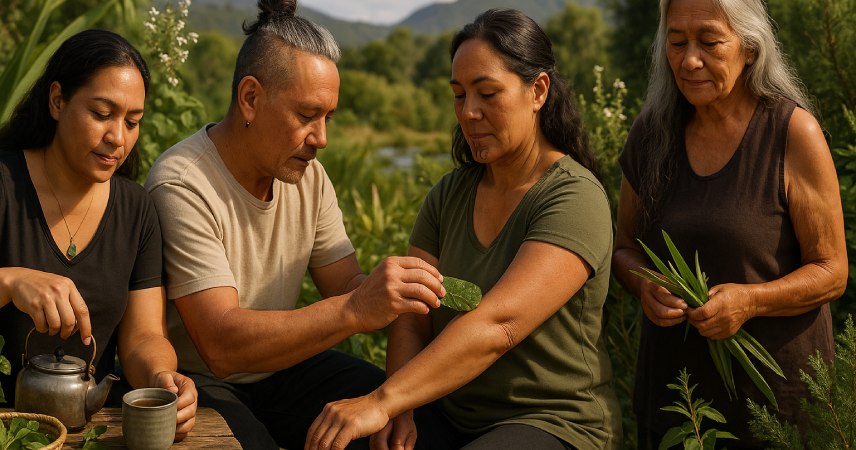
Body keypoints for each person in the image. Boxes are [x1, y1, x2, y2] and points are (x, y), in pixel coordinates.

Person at [306, 8, 623, 450]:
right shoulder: (449, 195)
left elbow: (500, 324)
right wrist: (400, 409)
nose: (469, 112)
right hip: (450, 413)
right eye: (459, 95)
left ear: (539, 91)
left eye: (487, 93)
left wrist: (383, 399)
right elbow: (413, 318)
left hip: (553, 423)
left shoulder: (573, 198)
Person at [143, 0, 445, 448]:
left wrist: (396, 293)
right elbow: (222, 347)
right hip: (199, 381)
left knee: (420, 424)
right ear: (250, 98)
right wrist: (358, 307)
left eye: (328, 118)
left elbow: (346, 286)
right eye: (306, 116)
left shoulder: (307, 174)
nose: (321, 138)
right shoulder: (183, 184)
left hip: (286, 366)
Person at [611, 0, 848, 447]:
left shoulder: (793, 133)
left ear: (751, 48)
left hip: (776, 407)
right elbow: (625, 247)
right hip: (677, 403)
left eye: (710, 42)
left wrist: (751, 301)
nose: (690, 59)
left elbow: (832, 272)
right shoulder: (650, 134)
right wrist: (645, 285)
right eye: (676, 43)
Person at [0, 29, 197, 439]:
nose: (118, 138)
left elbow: (144, 336)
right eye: (102, 114)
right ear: (58, 101)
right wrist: (10, 281)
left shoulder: (136, 209)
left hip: (93, 431)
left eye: (132, 122)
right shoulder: (4, 183)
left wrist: (162, 378)